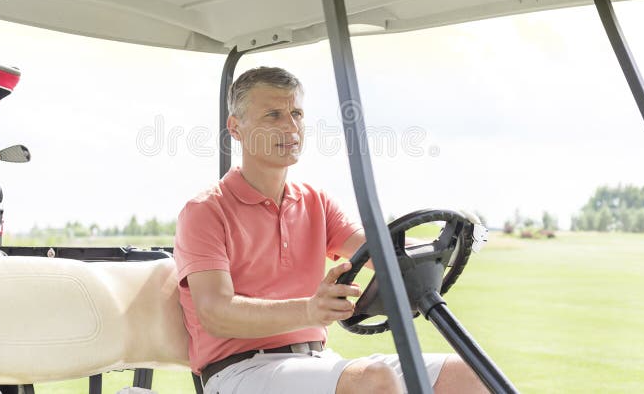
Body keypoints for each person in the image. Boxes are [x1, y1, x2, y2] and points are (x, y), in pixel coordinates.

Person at [174, 67, 486, 394]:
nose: (291, 127)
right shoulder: (205, 212)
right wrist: (309, 310)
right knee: (374, 379)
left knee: (465, 372)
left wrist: (450, 239)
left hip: (315, 361)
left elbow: (382, 251)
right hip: (239, 371)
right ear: (235, 128)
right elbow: (215, 313)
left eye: (296, 113)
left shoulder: (315, 202)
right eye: (273, 115)